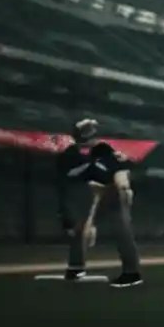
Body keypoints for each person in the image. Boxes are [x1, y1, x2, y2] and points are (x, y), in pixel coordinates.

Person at [54, 118, 144, 287]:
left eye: (91, 131)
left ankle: (131, 272)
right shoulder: (70, 155)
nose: (90, 136)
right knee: (79, 228)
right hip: (90, 191)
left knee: (121, 229)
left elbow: (123, 170)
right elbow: (67, 179)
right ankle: (76, 266)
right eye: (86, 131)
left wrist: (124, 185)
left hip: (111, 192)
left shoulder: (104, 150)